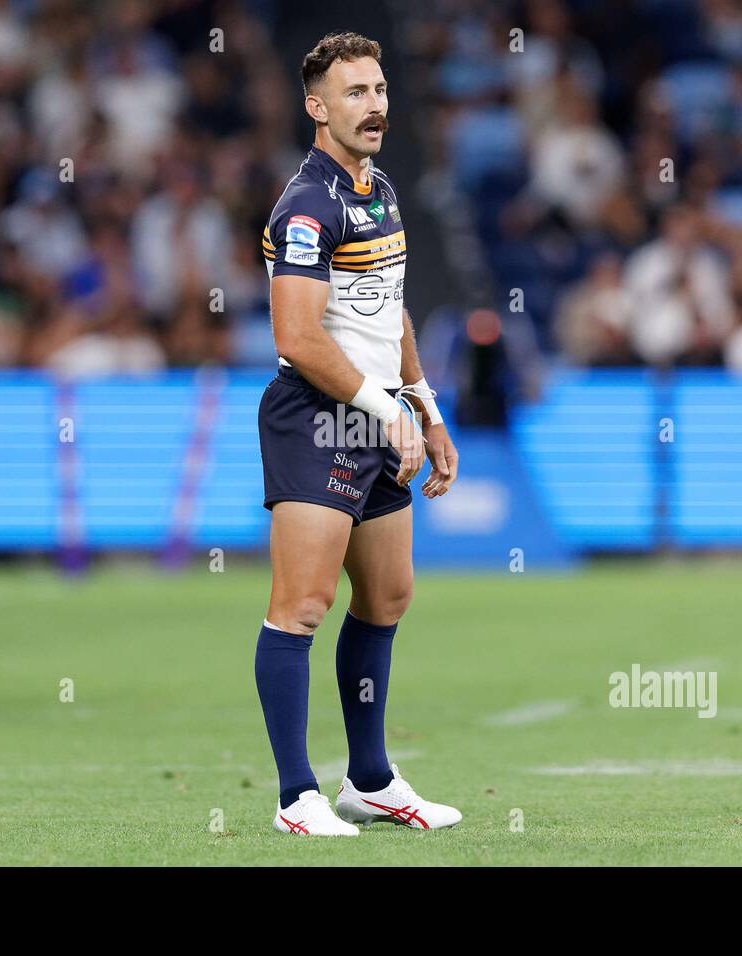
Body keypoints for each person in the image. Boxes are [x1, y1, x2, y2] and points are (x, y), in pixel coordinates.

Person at [254, 33, 461, 835]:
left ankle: (369, 780)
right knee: (301, 606)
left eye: (378, 89)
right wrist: (389, 411)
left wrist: (427, 408)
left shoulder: (380, 189)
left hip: (381, 414)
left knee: (388, 596)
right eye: (354, 93)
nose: (373, 105)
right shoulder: (305, 206)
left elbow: (390, 312)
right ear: (317, 109)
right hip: (316, 416)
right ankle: (296, 796)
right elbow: (301, 338)